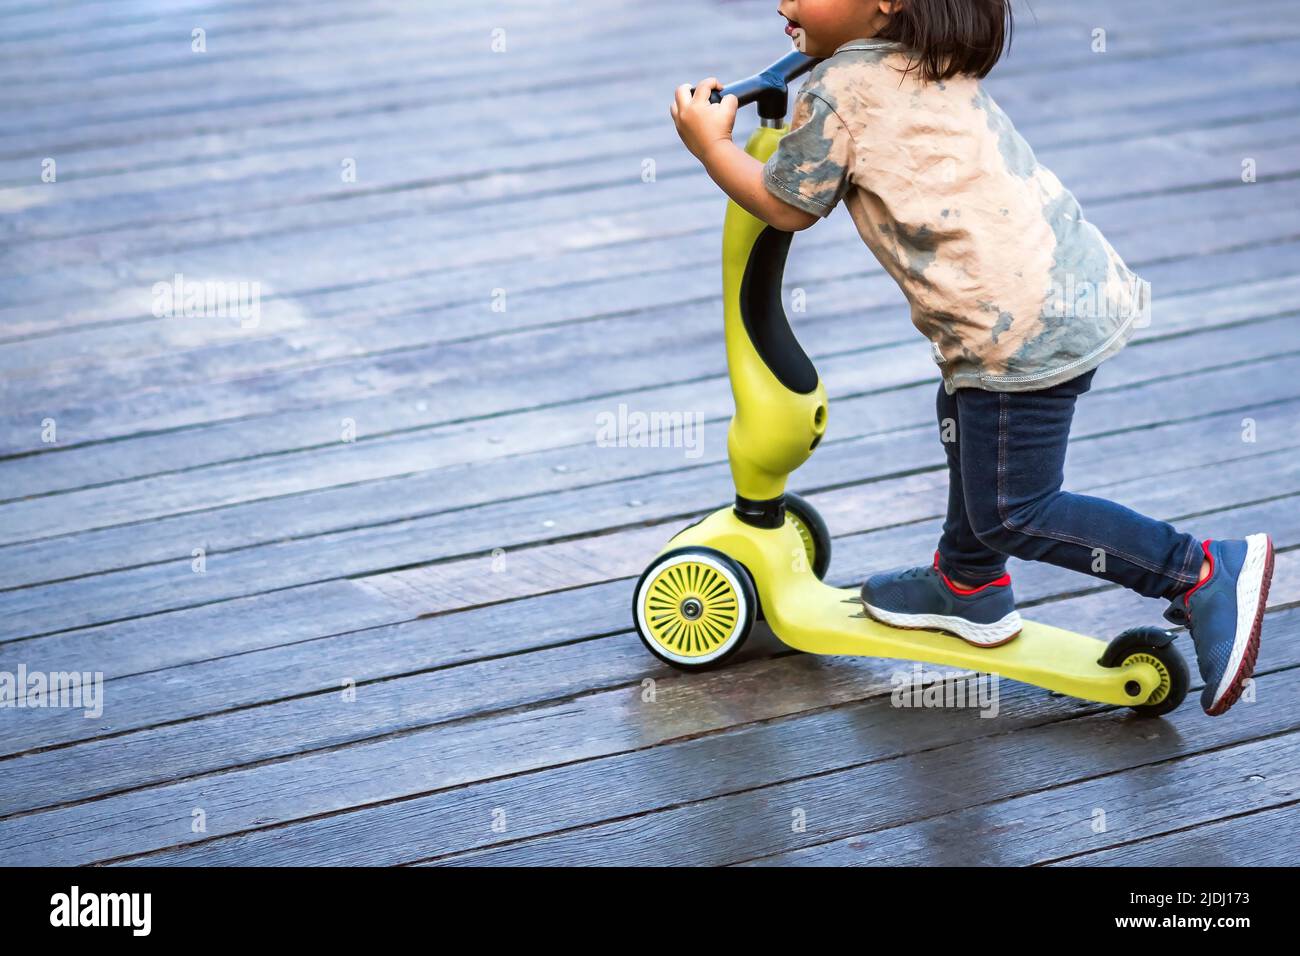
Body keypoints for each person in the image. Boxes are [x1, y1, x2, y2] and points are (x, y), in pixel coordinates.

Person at [669, 0, 1272, 715]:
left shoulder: (839, 92)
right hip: (1062, 286)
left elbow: (787, 205)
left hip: (1013, 330)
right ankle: (966, 585)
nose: (785, 3)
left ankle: (1198, 571)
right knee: (965, 419)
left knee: (1015, 510)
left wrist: (712, 146)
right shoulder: (927, 55)